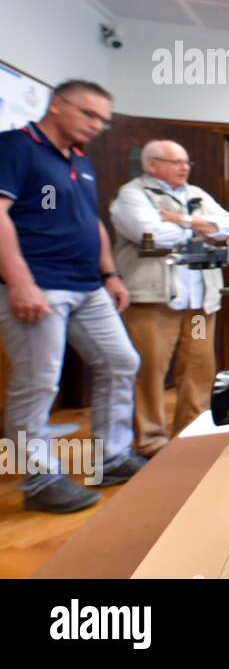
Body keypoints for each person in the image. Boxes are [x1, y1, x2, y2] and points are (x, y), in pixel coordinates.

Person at [0, 80, 143, 513]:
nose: (97, 125)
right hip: (39, 283)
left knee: (121, 361)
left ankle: (112, 456)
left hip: (88, 284)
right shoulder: (15, 147)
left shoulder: (80, 161)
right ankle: (39, 479)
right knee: (38, 381)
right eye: (89, 114)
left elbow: (92, 221)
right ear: (57, 105)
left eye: (103, 119)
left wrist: (109, 273)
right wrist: (20, 281)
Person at [110, 140, 229, 458]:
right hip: (155, 302)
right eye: (174, 161)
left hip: (199, 302)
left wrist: (180, 221)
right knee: (150, 371)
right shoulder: (133, 194)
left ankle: (191, 431)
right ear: (151, 164)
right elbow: (148, 235)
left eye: (186, 161)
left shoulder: (197, 195)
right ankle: (151, 439)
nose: (184, 167)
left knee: (198, 366)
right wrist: (201, 228)